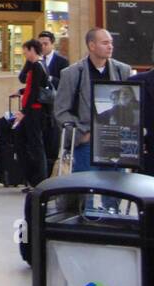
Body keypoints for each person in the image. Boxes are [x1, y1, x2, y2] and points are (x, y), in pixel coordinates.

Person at [55, 28, 132, 171]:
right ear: (92, 45)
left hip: (116, 144)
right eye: (105, 43)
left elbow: (130, 105)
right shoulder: (72, 74)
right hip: (86, 145)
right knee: (84, 189)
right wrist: (80, 135)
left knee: (115, 191)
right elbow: (61, 111)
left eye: (111, 43)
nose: (110, 46)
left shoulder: (123, 70)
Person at [13, 39, 50, 187]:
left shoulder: (37, 66)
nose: (25, 54)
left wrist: (24, 111)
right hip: (32, 110)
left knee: (36, 145)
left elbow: (35, 90)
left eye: (26, 51)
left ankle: (39, 179)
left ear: (32, 50)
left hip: (34, 111)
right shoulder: (36, 66)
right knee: (29, 143)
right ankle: (34, 177)